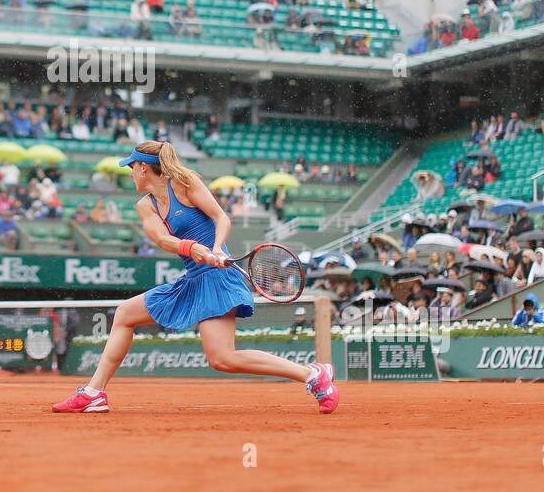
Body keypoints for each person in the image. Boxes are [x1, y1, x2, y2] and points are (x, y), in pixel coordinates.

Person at [52, 141, 339, 414]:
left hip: (218, 278)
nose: (130, 173)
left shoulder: (185, 183)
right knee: (125, 313)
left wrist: (215, 247)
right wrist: (191, 248)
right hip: (192, 278)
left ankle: (313, 374)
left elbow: (221, 218)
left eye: (131, 167)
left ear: (142, 167)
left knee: (223, 359)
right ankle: (94, 394)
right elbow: (162, 239)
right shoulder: (145, 205)